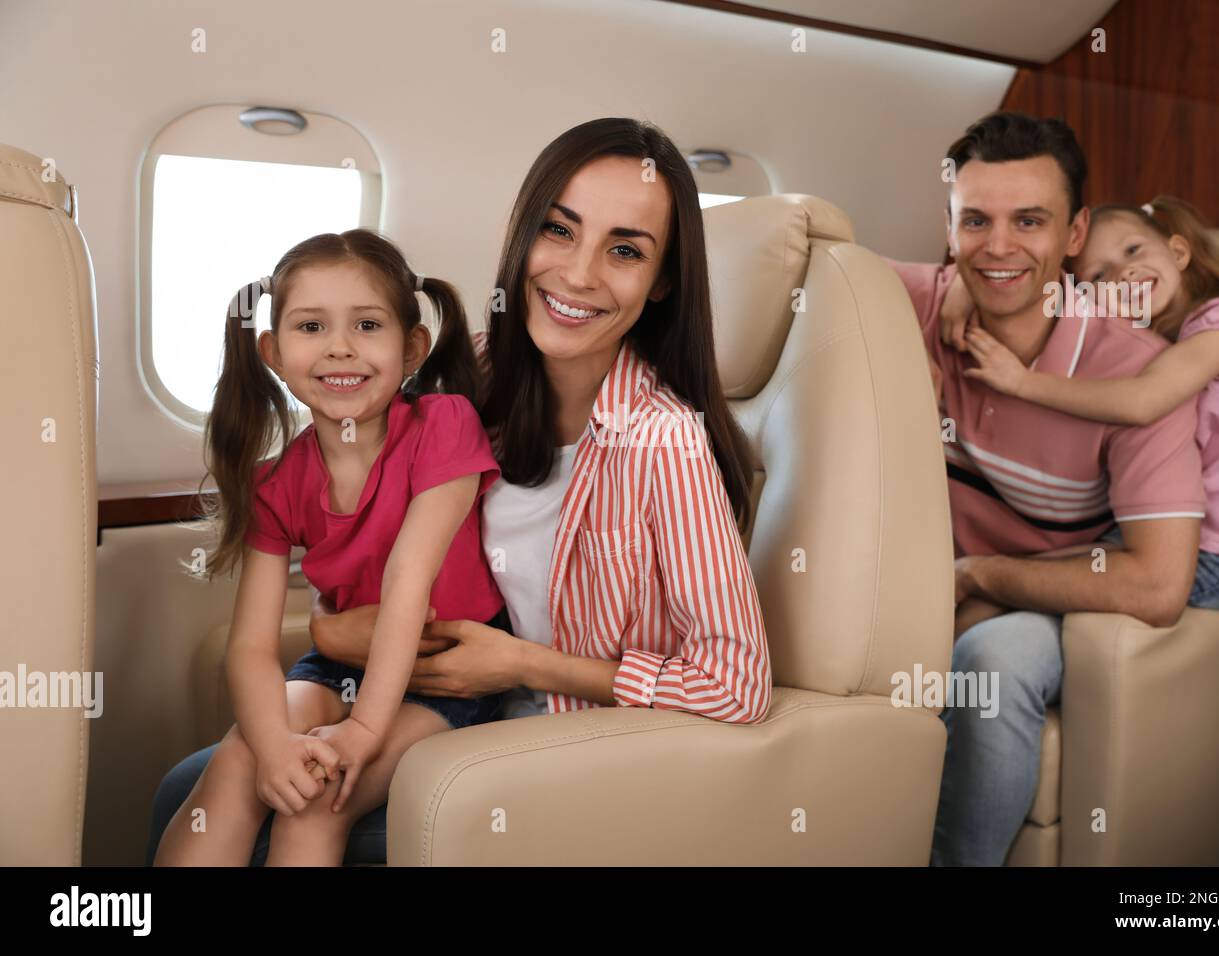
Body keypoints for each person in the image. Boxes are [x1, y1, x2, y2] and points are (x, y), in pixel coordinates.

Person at [147, 117, 772, 865]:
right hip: (420, 680)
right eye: (559, 231)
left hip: (568, 729)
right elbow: (367, 526)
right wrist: (328, 629)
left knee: (308, 804)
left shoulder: (664, 440)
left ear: (661, 282)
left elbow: (737, 686)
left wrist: (519, 663)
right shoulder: (472, 379)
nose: (578, 274)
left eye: (625, 250)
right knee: (194, 783)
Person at [885, 111, 1207, 866]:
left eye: (1028, 221)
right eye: (976, 222)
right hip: (913, 584)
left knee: (992, 664)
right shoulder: (918, 298)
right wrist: (945, 301)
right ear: (949, 225)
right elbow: (800, 238)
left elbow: (1160, 585)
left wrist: (981, 578)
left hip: (1051, 592)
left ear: (1073, 233)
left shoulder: (1135, 373)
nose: (998, 247)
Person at [153, 230, 506, 866]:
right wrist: (272, 744)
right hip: (335, 671)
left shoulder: (444, 425)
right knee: (240, 760)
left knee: (320, 799)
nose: (340, 347)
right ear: (274, 352)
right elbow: (253, 647)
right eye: (311, 326)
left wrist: (363, 731)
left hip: (445, 682)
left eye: (368, 325)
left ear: (412, 348)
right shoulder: (276, 481)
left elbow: (407, 585)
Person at [941, 195, 1219, 611]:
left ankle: (968, 587)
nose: (1124, 273)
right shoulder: (1146, 337)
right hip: (1166, 536)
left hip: (1218, 559)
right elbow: (1038, 285)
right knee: (1010, 584)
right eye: (1100, 274)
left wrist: (1023, 383)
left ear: (1179, 252)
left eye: (1133, 250)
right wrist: (966, 284)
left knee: (1007, 581)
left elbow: (1144, 401)